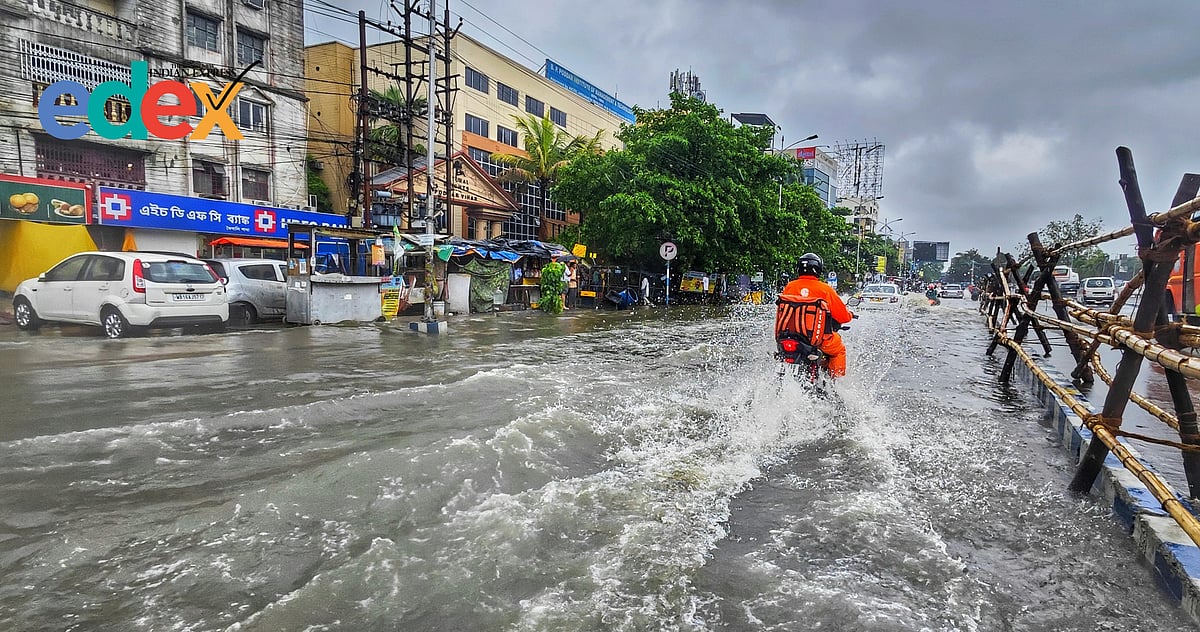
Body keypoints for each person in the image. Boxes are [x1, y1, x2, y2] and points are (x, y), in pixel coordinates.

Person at [774, 253, 855, 377]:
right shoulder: (825, 289)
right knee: (839, 351)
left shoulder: (790, 287)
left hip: (788, 337)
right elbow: (843, 317)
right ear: (818, 270)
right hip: (816, 340)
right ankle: (835, 383)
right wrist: (850, 315)